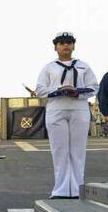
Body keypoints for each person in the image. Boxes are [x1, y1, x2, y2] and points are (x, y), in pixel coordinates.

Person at [35, 33, 98, 198]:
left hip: (78, 109)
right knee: (59, 150)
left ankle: (78, 189)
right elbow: (40, 89)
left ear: (74, 46)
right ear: (55, 47)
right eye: (62, 43)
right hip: (57, 110)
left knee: (77, 151)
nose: (66, 46)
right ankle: (61, 190)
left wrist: (78, 93)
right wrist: (57, 91)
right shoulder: (49, 68)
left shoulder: (83, 66)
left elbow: (94, 87)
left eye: (69, 43)